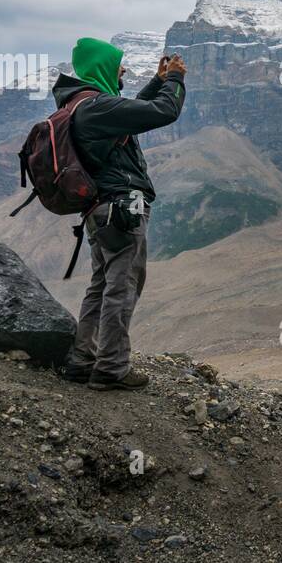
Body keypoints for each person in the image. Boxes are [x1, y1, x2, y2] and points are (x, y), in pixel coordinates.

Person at [53, 37, 187, 390]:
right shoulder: (95, 107)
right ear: (101, 68)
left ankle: (83, 360)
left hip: (100, 211)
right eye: (117, 65)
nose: (123, 69)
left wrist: (157, 82)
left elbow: (128, 116)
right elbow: (163, 112)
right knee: (121, 287)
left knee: (101, 286)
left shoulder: (80, 105)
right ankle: (112, 368)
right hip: (123, 210)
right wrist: (174, 80)